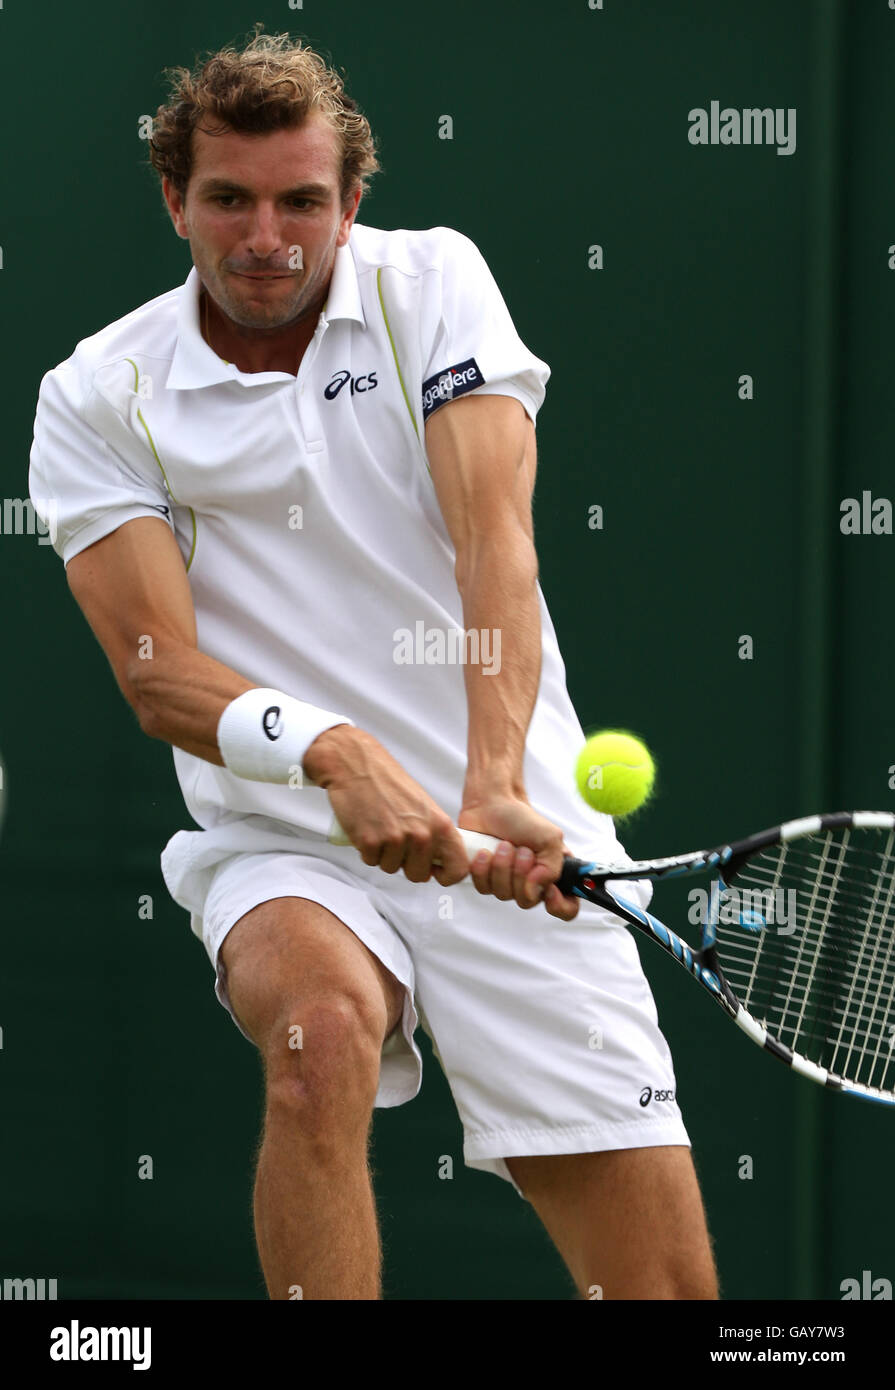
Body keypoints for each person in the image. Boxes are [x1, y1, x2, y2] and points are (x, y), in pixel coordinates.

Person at [28, 30, 717, 1300]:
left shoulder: (432, 287)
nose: (265, 234)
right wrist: (334, 753)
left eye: (302, 200)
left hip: (513, 834)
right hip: (282, 840)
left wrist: (494, 784)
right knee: (318, 1038)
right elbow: (155, 671)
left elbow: (492, 543)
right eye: (228, 199)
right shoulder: (98, 395)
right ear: (175, 200)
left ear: (351, 203)